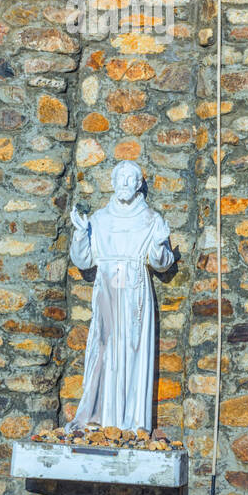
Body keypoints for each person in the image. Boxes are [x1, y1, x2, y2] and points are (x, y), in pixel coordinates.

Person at [69, 161, 173, 433]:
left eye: (131, 179)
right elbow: (83, 260)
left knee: (134, 349)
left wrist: (160, 243)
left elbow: (161, 263)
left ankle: (131, 422)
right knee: (104, 349)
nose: (125, 184)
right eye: (120, 179)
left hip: (135, 292)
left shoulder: (151, 220)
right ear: (113, 183)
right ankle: (103, 418)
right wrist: (81, 234)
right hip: (108, 288)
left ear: (139, 184)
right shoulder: (100, 220)